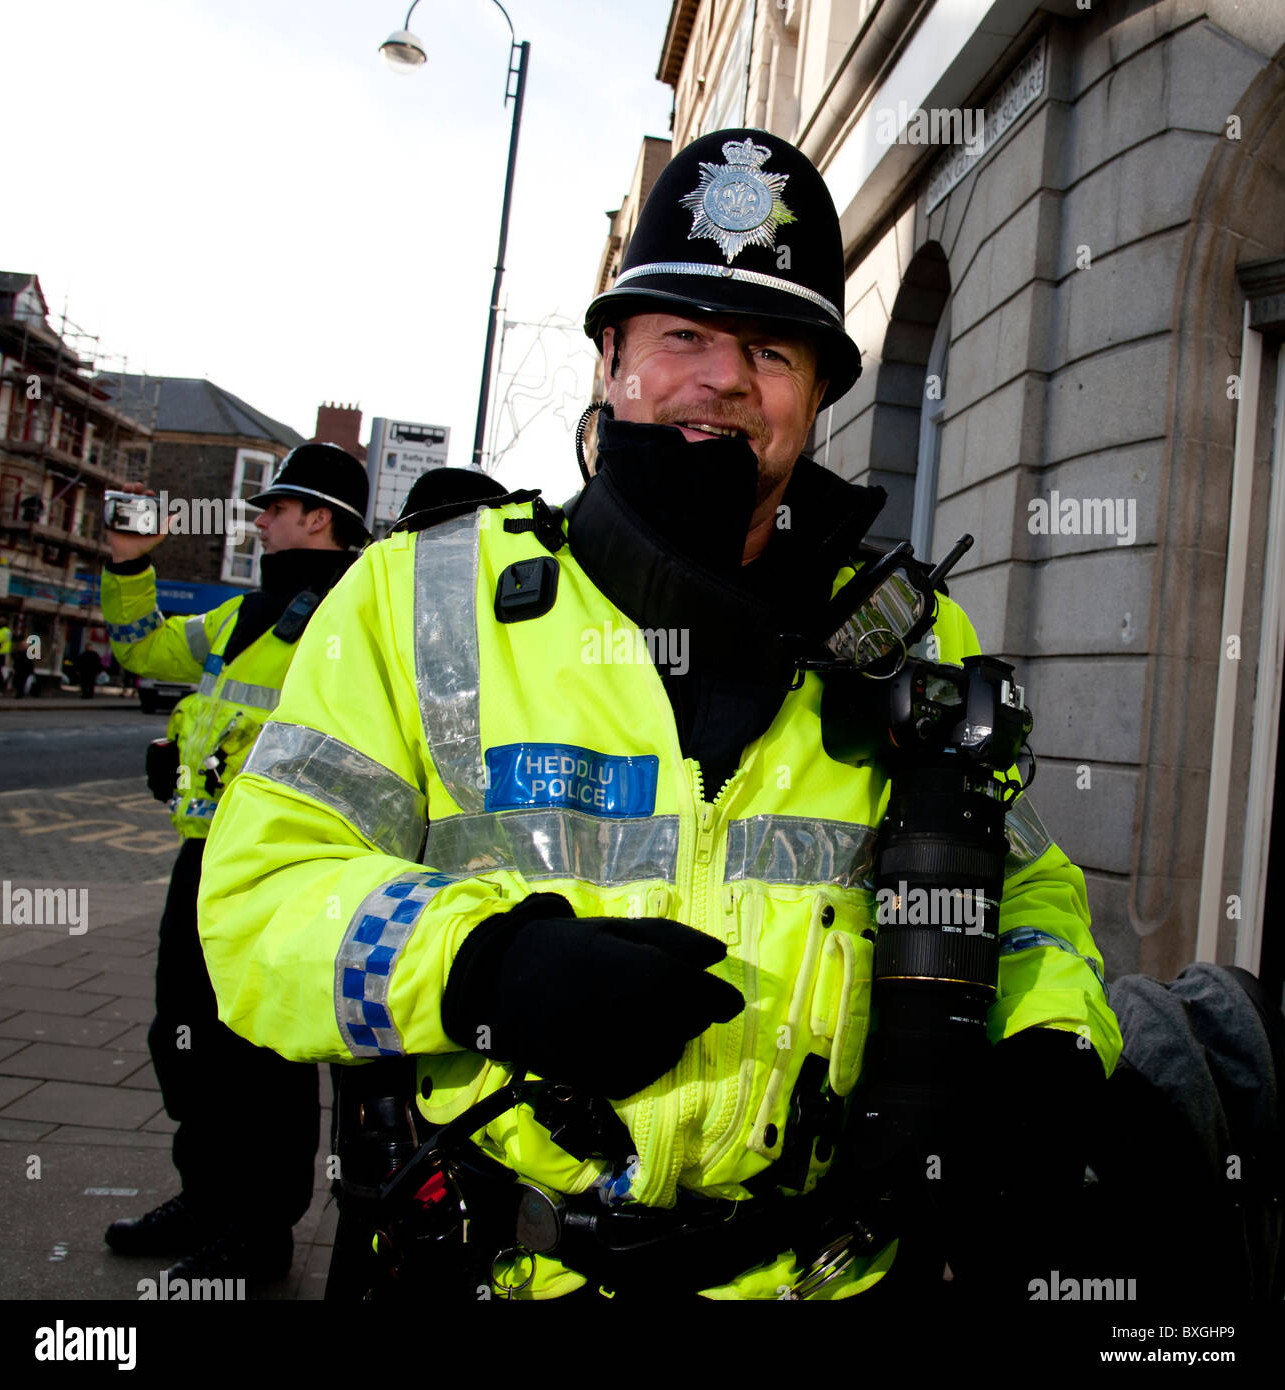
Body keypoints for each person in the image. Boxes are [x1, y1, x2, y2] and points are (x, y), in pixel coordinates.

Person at [197, 129, 1122, 1301]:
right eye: (682, 334)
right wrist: (484, 969)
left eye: (769, 349)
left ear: (817, 395)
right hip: (513, 1266)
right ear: (610, 358)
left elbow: (1025, 900)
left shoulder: (911, 636)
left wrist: (1047, 1049)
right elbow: (256, 900)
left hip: (822, 1277)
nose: (724, 378)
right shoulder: (419, 598)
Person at [101, 442, 372, 1284]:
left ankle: (259, 1234)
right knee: (184, 1042)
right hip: (203, 862)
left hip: (286, 871)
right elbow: (144, 650)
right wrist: (129, 566)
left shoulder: (358, 616)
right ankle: (207, 1199)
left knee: (262, 1059)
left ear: (317, 518)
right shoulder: (236, 615)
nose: (259, 519)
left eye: (275, 506)